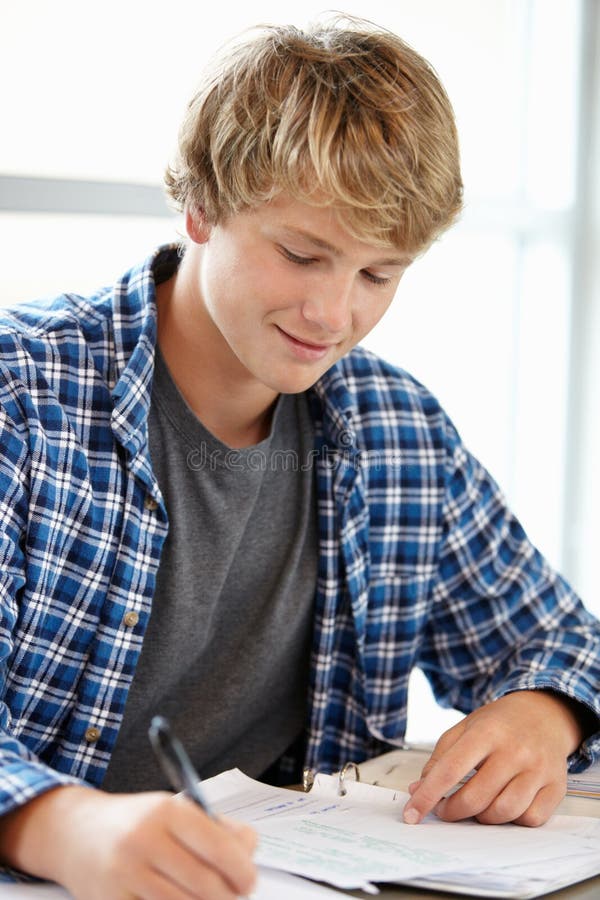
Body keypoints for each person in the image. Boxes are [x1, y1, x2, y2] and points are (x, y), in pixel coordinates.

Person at [0, 13, 598, 899]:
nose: (333, 316)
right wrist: (59, 824)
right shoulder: (23, 401)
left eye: (377, 274)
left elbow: (559, 639)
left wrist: (543, 713)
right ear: (200, 205)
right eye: (302, 254)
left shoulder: (398, 429)